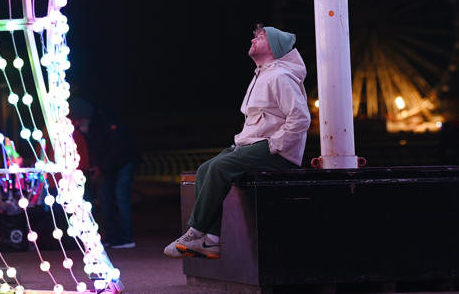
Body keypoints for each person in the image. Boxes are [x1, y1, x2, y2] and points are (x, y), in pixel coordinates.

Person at [164, 24, 311, 259]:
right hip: (256, 145)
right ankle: (211, 241)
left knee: (220, 167)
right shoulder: (264, 75)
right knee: (204, 170)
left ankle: (195, 232)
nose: (253, 40)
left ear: (273, 47)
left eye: (260, 38)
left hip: (275, 152)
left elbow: (300, 118)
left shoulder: (281, 77)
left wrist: (275, 145)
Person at [70, 98, 141, 249]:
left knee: (121, 198)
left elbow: (118, 146)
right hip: (108, 165)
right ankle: (112, 237)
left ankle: (126, 238)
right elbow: (95, 149)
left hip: (124, 161)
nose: (76, 123)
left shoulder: (104, 120)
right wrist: (97, 166)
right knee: (105, 198)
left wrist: (101, 167)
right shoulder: (88, 128)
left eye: (78, 119)